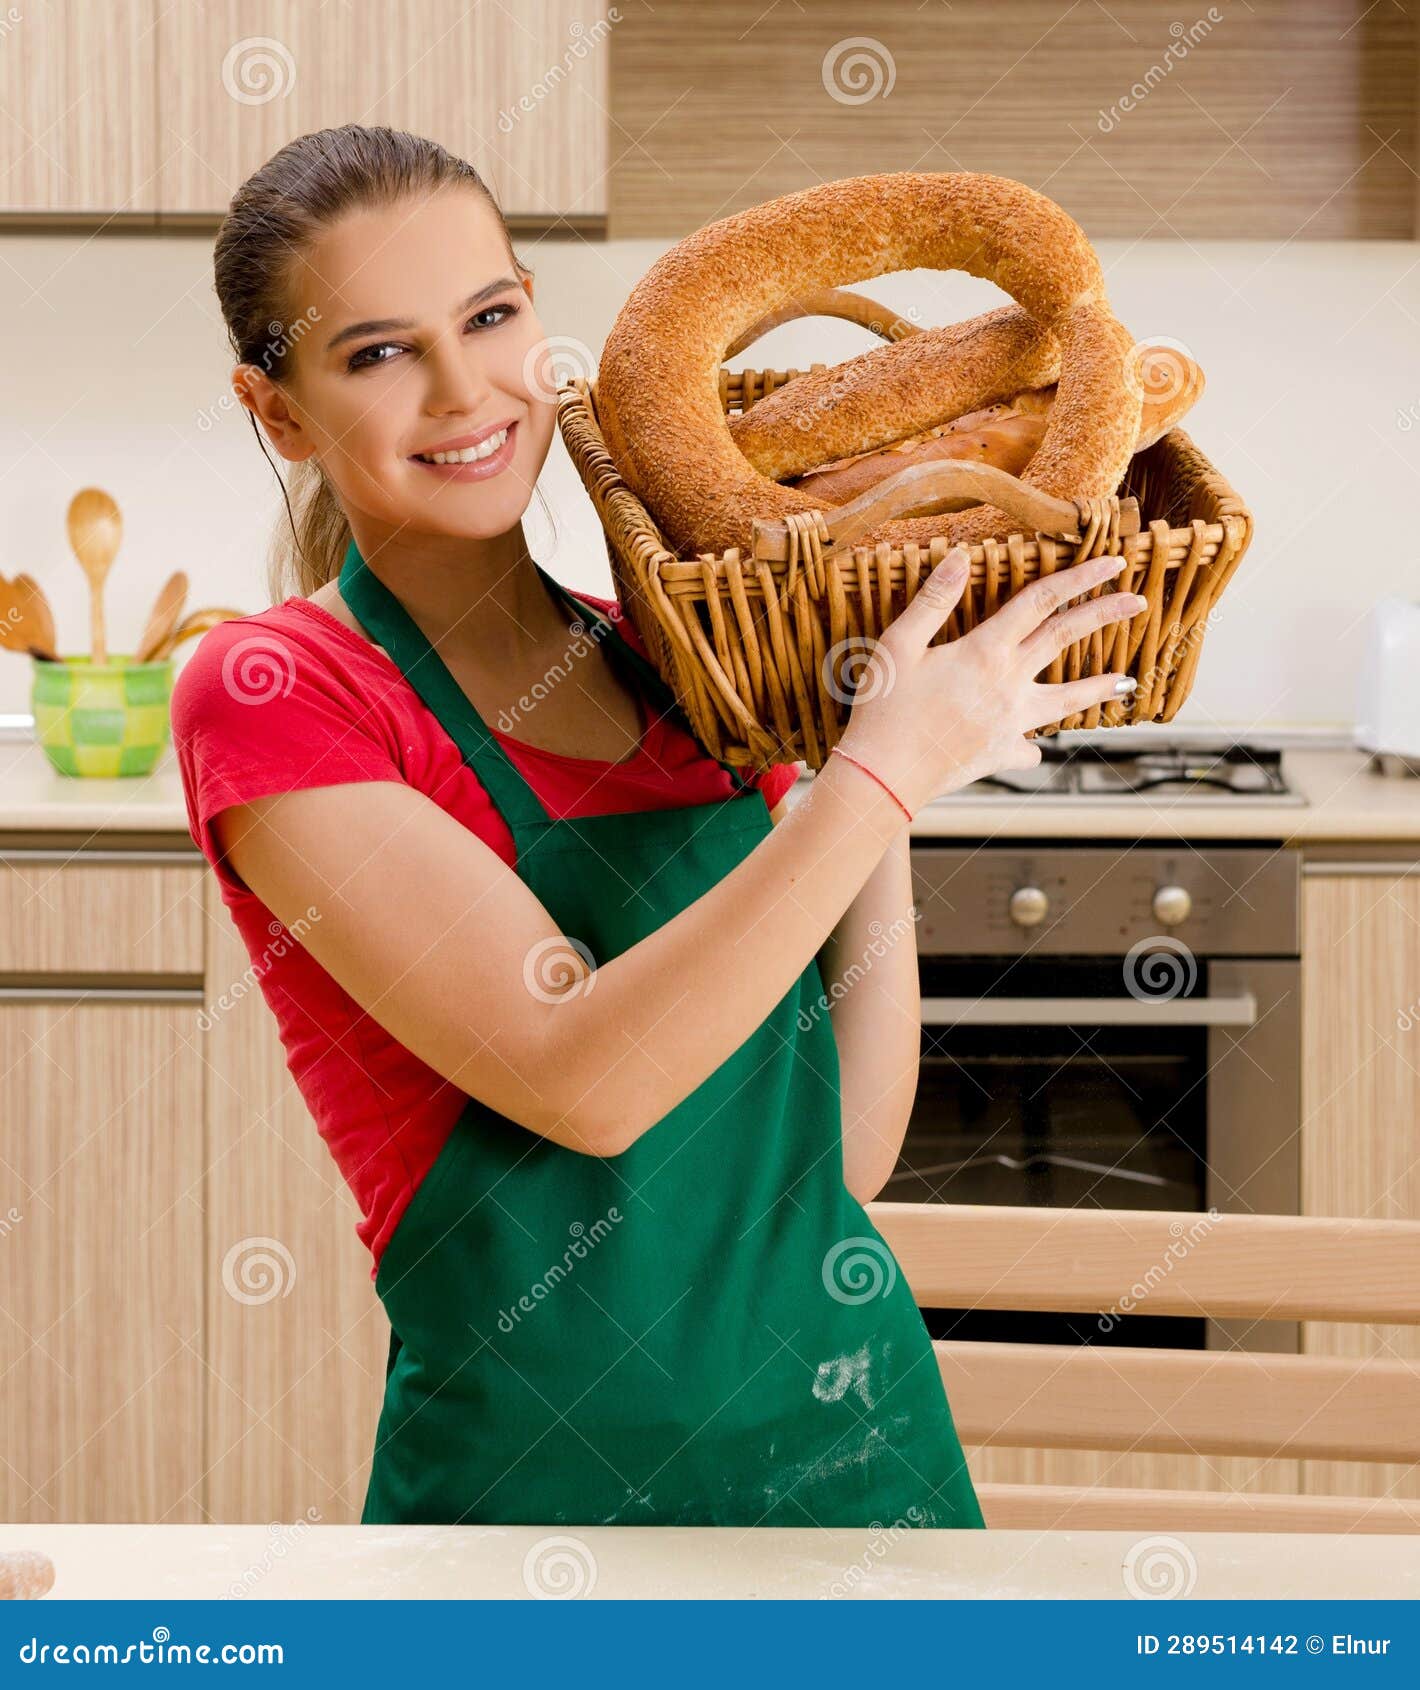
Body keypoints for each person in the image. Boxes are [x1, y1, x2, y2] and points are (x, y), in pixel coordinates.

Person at [172, 123, 1144, 1529]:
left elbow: (841, 1160)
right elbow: (583, 1073)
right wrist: (876, 774)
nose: (465, 390)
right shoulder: (276, 693)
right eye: (380, 352)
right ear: (280, 411)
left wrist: (874, 773)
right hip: (535, 1512)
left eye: (492, 317)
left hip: (860, 1471)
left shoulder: (690, 661)